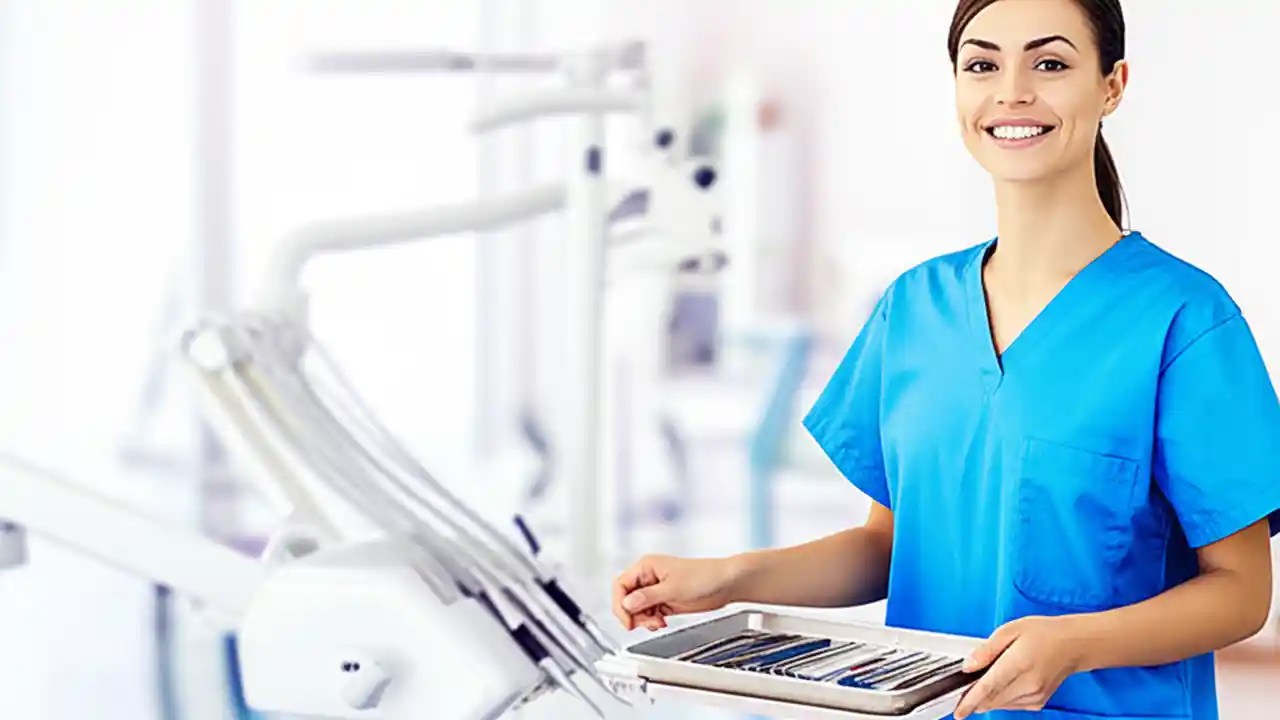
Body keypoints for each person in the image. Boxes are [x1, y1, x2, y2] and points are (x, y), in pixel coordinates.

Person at [611, 0, 1280, 717]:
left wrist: (1074, 644)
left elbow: (1241, 593)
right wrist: (728, 579)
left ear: (1112, 85)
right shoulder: (914, 309)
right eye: (982, 64)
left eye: (1049, 63)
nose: (1012, 91)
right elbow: (887, 546)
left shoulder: (1184, 319)